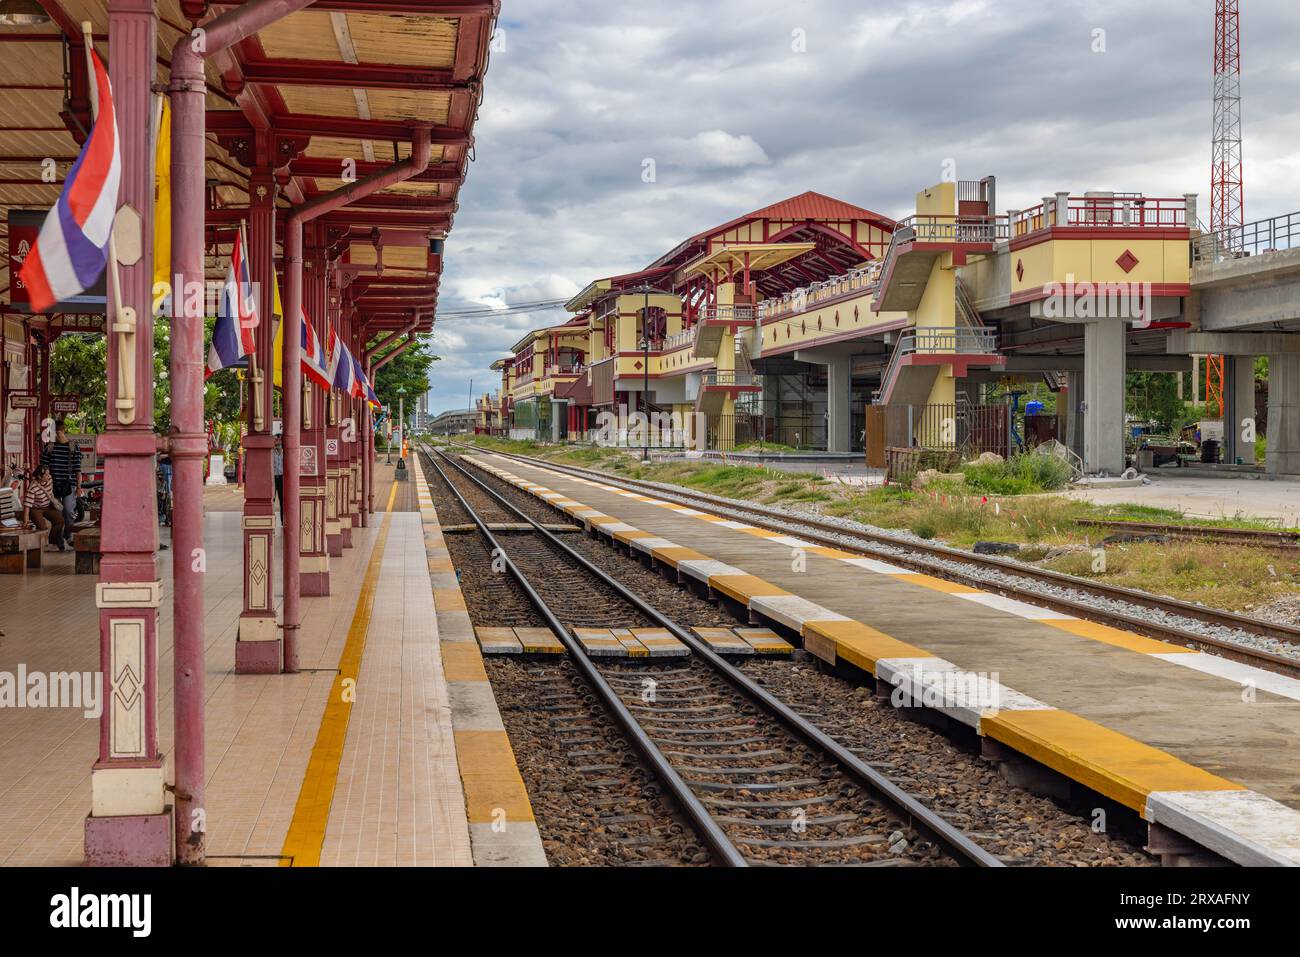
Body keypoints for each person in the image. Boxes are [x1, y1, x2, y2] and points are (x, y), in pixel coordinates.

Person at [41, 421, 81, 546]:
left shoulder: (73, 446)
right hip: (53, 485)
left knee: (68, 510)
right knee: (57, 514)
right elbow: (43, 467)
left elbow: (78, 469)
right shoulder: (49, 447)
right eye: (54, 433)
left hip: (69, 484)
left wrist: (79, 487)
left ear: (63, 431)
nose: (56, 436)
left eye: (58, 432)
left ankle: (68, 535)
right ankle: (58, 540)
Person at [24, 463, 66, 551]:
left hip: (47, 506)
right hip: (35, 509)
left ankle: (52, 543)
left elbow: (36, 475)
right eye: (46, 474)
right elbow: (27, 506)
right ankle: (40, 546)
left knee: (60, 520)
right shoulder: (32, 489)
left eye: (49, 473)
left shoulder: (49, 479)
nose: (49, 476)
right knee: (43, 528)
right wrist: (26, 520)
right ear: (40, 477)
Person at [272, 436, 284, 525]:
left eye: (279, 442)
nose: (278, 444)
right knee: (272, 499)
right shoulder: (271, 453)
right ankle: (271, 520)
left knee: (282, 500)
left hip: (282, 478)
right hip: (273, 478)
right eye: (276, 442)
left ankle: (283, 521)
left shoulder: (286, 453)